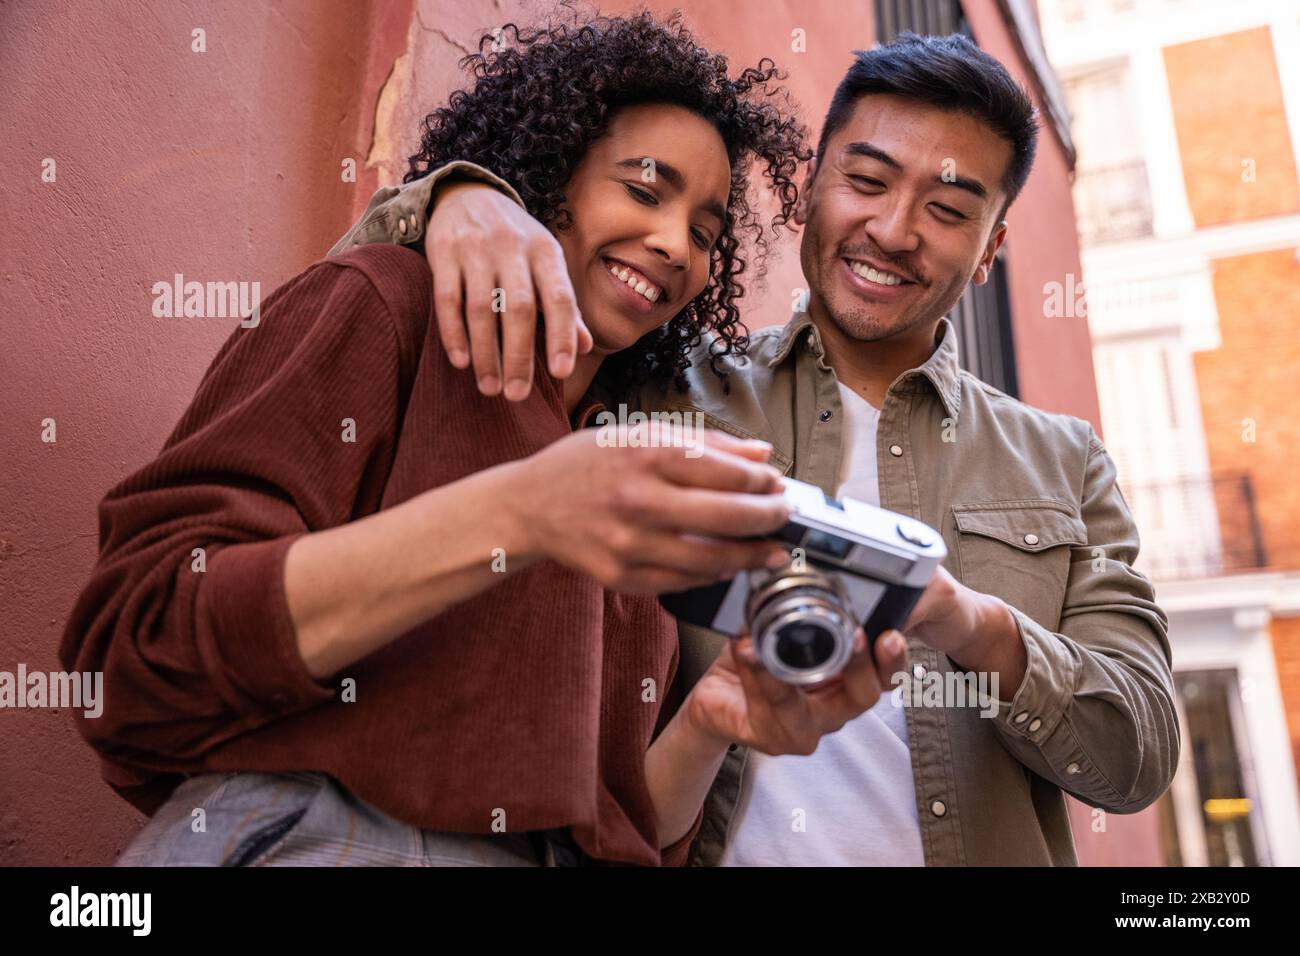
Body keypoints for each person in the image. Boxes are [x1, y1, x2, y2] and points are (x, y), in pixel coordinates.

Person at [59, 12, 908, 868]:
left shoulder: (629, 445)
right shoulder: (388, 302)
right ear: (552, 175)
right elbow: (142, 642)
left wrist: (712, 721)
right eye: (645, 191)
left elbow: (619, 832)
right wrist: (521, 512)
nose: (672, 245)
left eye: (702, 232)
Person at [338, 32, 1180, 865]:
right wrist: (457, 198)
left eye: (949, 210)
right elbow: (434, 331)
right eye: (866, 181)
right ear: (811, 190)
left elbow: (1136, 757)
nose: (891, 230)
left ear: (991, 247)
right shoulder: (655, 383)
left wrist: (972, 624)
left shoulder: (1066, 461)